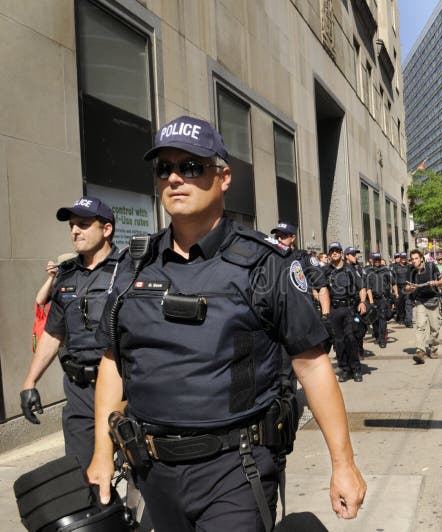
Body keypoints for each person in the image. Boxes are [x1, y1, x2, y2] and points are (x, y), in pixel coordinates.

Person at [86, 116, 366, 530]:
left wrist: (343, 463)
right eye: (164, 168)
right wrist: (100, 452)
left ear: (224, 176)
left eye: (191, 166)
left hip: (235, 470)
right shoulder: (132, 264)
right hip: (151, 472)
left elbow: (313, 365)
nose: (175, 178)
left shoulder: (266, 263)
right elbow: (113, 360)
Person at [20, 197, 120, 471]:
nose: (75, 231)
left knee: (140, 476)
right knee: (81, 476)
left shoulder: (127, 271)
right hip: (79, 392)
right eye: (72, 225)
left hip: (124, 388)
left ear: (106, 229)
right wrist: (30, 382)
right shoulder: (66, 276)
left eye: (84, 225)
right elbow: (53, 334)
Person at [324, 243, 368, 382]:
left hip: (349, 309)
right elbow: (318, 288)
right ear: (329, 254)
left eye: (337, 251)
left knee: (351, 339)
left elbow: (361, 287)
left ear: (341, 253)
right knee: (339, 342)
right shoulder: (325, 270)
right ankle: (344, 369)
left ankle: (356, 369)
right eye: (332, 251)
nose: (335, 253)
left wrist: (362, 302)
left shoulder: (350, 269)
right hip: (334, 310)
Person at [271, 221, 330, 319]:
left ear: (293, 238)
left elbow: (322, 286)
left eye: (283, 236)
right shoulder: (273, 258)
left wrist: (325, 316)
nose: (279, 239)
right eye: (277, 237)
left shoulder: (305, 258)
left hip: (304, 312)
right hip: (281, 314)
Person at [405, 248, 442, 364]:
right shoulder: (410, 271)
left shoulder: (431, 267)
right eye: (412, 259)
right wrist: (410, 288)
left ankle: (433, 349)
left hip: (433, 300)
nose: (414, 261)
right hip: (420, 302)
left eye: (416, 258)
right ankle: (420, 351)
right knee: (420, 326)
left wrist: (436, 283)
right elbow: (406, 287)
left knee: (434, 328)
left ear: (421, 258)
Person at [365, 252, 397, 348]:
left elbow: (393, 283)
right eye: (375, 260)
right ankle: (377, 335)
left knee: (382, 319)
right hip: (373, 299)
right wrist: (370, 301)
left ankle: (382, 340)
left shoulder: (386, 271)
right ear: (372, 261)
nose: (377, 262)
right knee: (374, 319)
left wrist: (396, 293)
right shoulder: (368, 272)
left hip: (383, 298)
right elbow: (368, 288)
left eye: (378, 260)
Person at [391, 252, 413, 327]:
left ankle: (409, 321)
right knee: (400, 304)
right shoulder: (395, 267)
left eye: (405, 257)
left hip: (408, 287)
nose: (404, 259)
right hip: (399, 287)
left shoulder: (410, 266)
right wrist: (394, 291)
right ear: (400, 258)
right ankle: (401, 318)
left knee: (408, 304)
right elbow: (392, 279)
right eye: (402, 257)